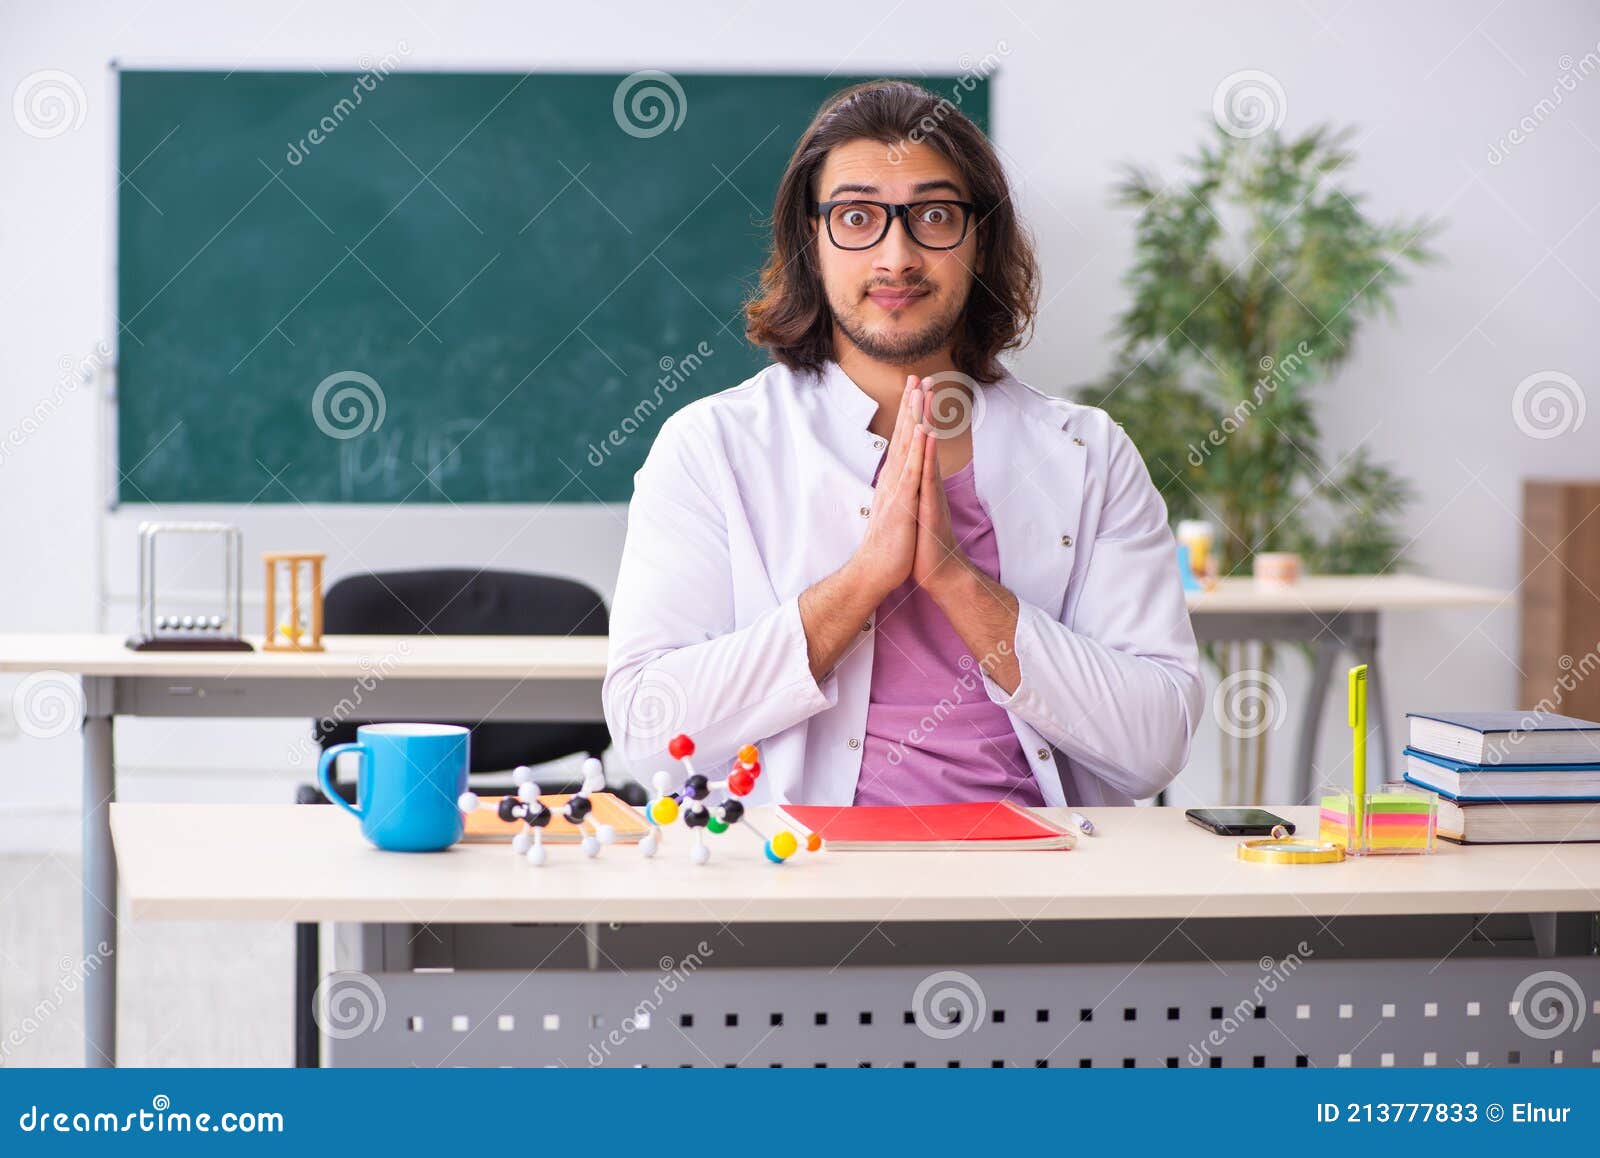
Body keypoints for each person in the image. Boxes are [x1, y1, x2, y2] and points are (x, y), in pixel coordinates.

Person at [603, 79, 1202, 807]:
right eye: (857, 216)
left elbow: (1154, 747)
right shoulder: (711, 447)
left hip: (1042, 884)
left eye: (935, 216)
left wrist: (957, 582)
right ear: (811, 242)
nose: (897, 256)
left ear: (981, 242)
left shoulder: (1089, 452)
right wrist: (861, 584)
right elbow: (650, 736)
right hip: (806, 881)